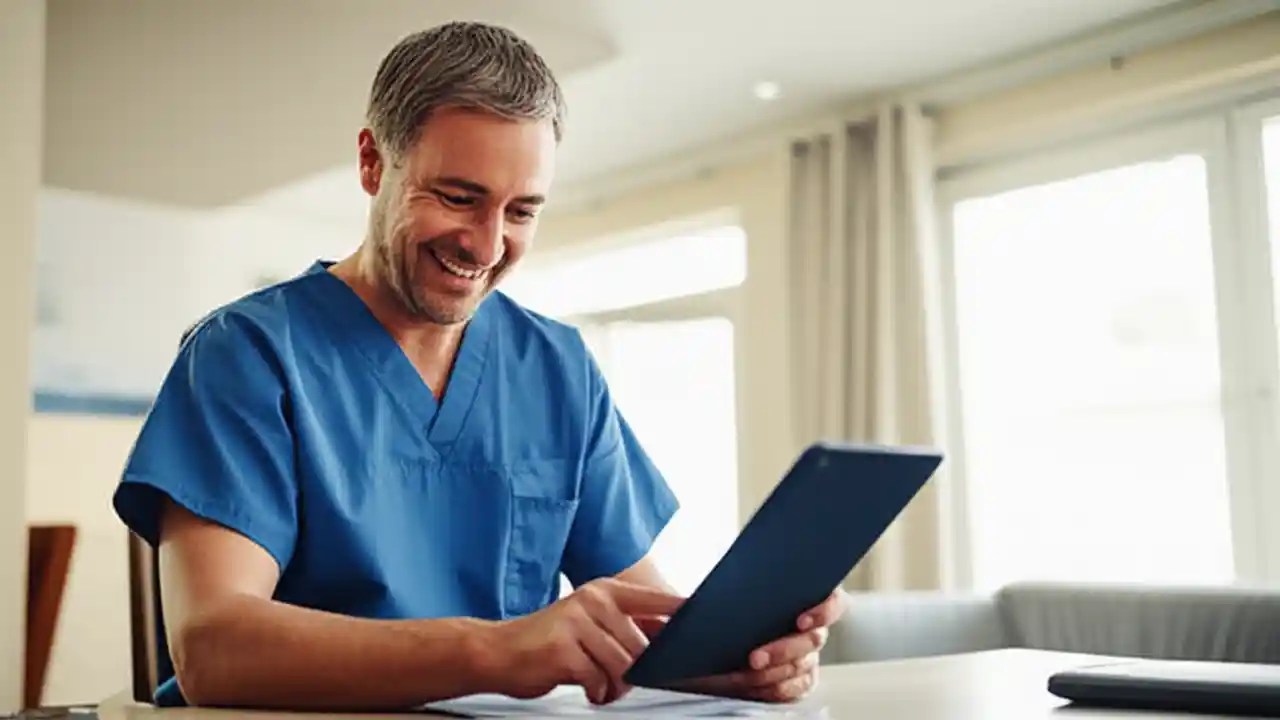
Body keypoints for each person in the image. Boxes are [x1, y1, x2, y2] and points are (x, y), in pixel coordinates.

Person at [112, 20, 847, 711]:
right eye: (459, 198)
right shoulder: (248, 355)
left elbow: (637, 618)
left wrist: (735, 657)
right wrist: (495, 650)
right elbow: (214, 648)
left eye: (522, 211)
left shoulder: (557, 369)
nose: (487, 245)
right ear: (373, 162)